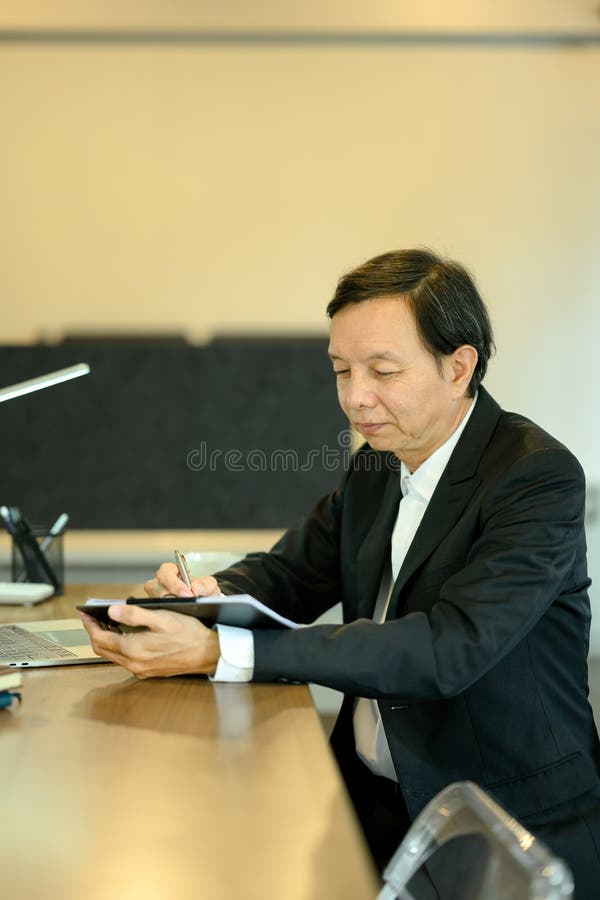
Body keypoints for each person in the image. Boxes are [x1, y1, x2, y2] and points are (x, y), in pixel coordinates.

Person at [81, 248, 600, 896]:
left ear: (459, 367)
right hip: (374, 808)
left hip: (504, 830)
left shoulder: (535, 476)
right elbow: (289, 576)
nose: (356, 398)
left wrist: (222, 649)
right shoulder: (377, 466)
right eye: (341, 370)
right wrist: (197, 601)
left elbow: (448, 648)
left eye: (383, 371)